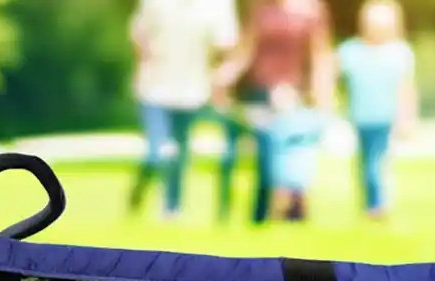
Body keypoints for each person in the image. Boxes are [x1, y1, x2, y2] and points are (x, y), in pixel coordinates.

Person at [213, 0, 332, 224]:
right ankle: (261, 214)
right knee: (266, 153)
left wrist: (322, 93)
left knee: (293, 153)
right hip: (260, 92)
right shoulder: (261, 8)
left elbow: (319, 54)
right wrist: (224, 78)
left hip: (292, 91)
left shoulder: (310, 9)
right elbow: (247, 48)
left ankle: (292, 209)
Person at [128, 0, 240, 219]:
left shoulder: (218, 5)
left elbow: (226, 46)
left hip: (192, 93)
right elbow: (139, 33)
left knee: (179, 154)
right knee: (157, 152)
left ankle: (171, 208)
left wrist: (221, 83)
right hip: (154, 90)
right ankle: (139, 192)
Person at [336, 0, 418, 219]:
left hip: (385, 118)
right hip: (361, 117)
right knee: (364, 165)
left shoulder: (399, 52)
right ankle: (370, 204)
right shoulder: (351, 51)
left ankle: (378, 206)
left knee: (377, 165)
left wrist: (406, 119)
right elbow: (337, 79)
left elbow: (405, 89)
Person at [264, 84, 325, 221]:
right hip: (283, 162)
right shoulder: (276, 120)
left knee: (298, 193)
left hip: (300, 162)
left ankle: (299, 215)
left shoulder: (304, 117)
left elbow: (319, 127)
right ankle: (279, 217)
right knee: (282, 193)